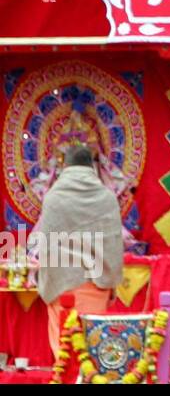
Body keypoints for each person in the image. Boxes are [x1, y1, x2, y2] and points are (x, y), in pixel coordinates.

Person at [33, 144, 125, 357]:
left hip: (61, 286)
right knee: (93, 352)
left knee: (64, 355)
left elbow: (47, 248)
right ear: (91, 166)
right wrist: (110, 284)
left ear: (65, 166)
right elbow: (113, 245)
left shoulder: (53, 198)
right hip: (97, 286)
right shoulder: (106, 197)